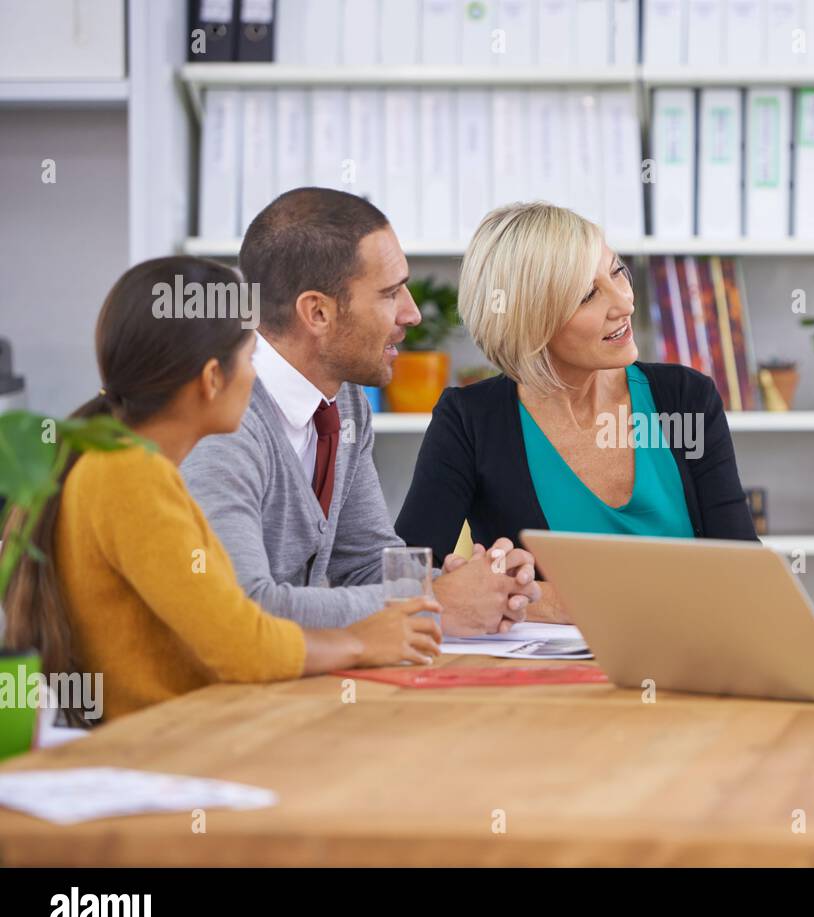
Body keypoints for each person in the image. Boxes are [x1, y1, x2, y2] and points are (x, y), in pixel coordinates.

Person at [1, 257, 442, 723]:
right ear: (212, 379)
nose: (256, 376)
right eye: (250, 358)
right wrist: (360, 641)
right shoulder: (129, 474)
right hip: (158, 750)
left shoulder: (125, 463)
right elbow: (242, 643)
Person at [181, 188, 539, 636]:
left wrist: (479, 588)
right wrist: (437, 604)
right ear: (317, 312)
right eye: (390, 293)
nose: (411, 314)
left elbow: (367, 567)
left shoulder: (344, 404)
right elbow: (240, 607)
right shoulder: (223, 424)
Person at [395, 202, 757, 623]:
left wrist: (541, 597)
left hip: (692, 667)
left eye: (617, 271)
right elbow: (406, 581)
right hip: (547, 682)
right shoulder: (471, 421)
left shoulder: (685, 398)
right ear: (528, 321)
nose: (623, 302)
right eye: (588, 294)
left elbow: (744, 577)